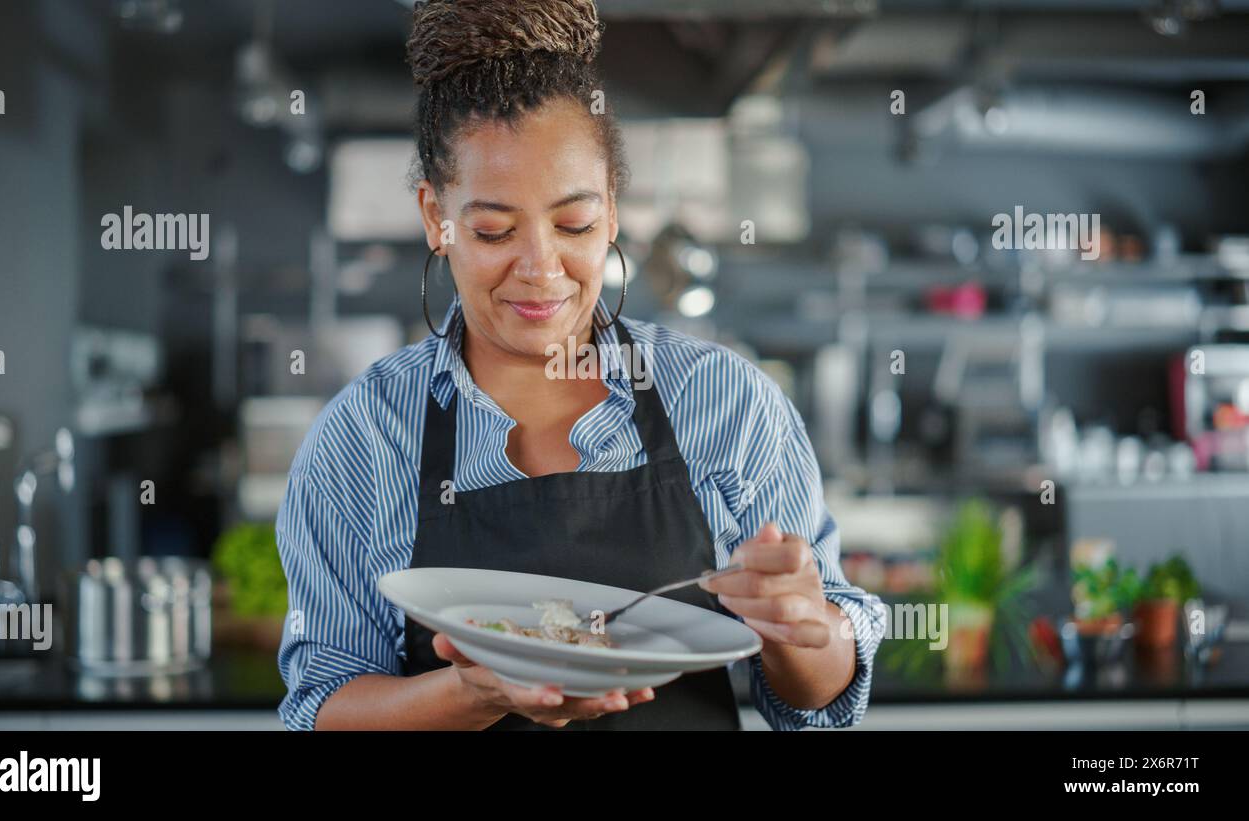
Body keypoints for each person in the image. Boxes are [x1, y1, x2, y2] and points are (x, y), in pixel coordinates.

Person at [275, 0, 885, 730]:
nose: (541, 269)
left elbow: (818, 695)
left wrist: (805, 623)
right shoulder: (361, 438)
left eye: (575, 223)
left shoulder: (726, 401)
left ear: (614, 210)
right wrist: (467, 695)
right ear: (436, 217)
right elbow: (320, 707)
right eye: (495, 229)